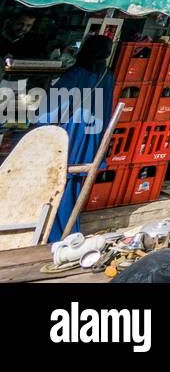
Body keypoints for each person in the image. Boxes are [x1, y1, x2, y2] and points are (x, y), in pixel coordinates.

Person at [40, 34, 116, 241]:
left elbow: (54, 105)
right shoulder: (107, 75)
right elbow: (105, 108)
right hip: (91, 133)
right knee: (72, 183)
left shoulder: (77, 73)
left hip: (70, 133)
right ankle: (68, 229)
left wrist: (37, 126)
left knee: (58, 179)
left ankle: (53, 231)